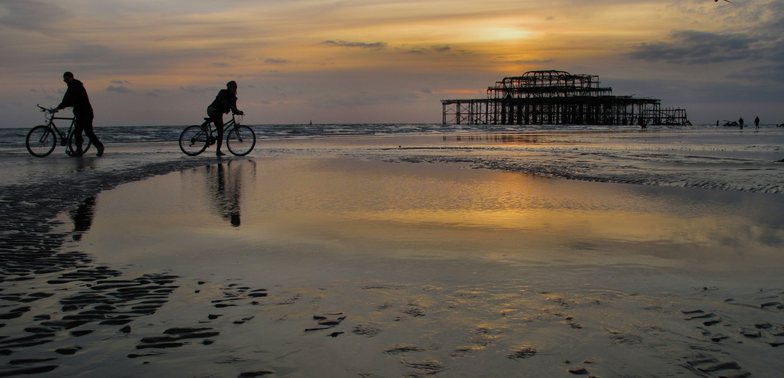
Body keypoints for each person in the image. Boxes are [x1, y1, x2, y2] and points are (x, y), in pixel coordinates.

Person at [56, 72, 104, 156]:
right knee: (83, 131)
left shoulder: (76, 86)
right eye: (65, 80)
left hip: (86, 112)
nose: (66, 81)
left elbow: (72, 100)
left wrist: (61, 106)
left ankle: (82, 150)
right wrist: (59, 107)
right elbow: (66, 99)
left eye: (67, 79)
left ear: (71, 78)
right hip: (80, 113)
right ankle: (95, 147)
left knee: (83, 131)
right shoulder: (71, 87)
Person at [207, 81, 244, 156]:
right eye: (232, 87)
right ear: (228, 87)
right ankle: (204, 127)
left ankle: (218, 151)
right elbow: (222, 101)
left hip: (219, 113)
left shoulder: (233, 98)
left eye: (235, 87)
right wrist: (230, 105)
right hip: (212, 109)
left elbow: (234, 110)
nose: (233, 89)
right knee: (219, 126)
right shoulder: (222, 92)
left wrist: (239, 112)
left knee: (221, 132)